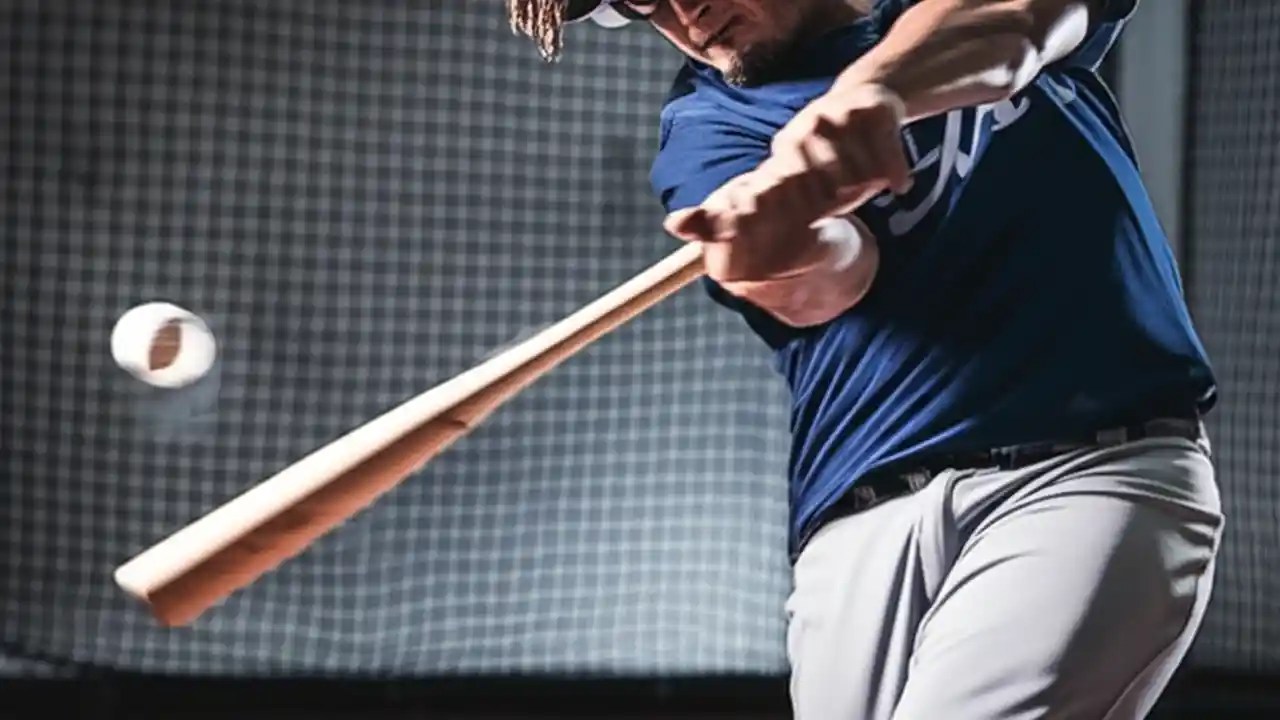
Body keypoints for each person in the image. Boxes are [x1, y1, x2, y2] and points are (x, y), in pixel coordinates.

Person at [507, 1, 1225, 717]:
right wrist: (779, 244)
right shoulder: (706, 128)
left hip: (1083, 473)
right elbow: (836, 277)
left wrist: (873, 92)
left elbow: (1018, 21)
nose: (681, 11)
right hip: (855, 527)